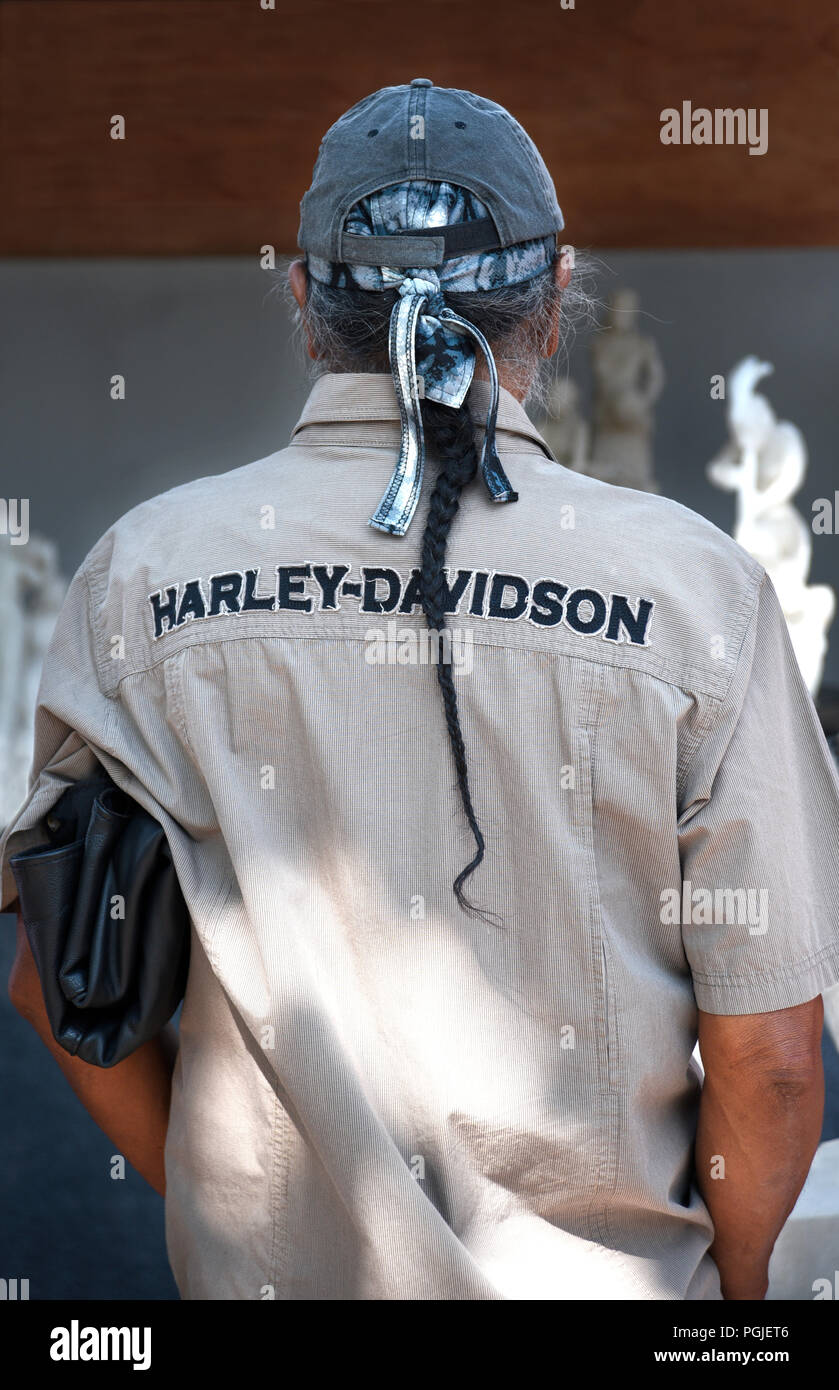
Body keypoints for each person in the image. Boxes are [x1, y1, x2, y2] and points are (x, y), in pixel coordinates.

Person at [4, 78, 839, 1302]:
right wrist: (738, 1297)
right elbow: (769, 1061)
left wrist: (225, 1215)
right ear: (553, 303)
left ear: (302, 301)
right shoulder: (695, 594)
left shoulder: (143, 577)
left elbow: (47, 973)